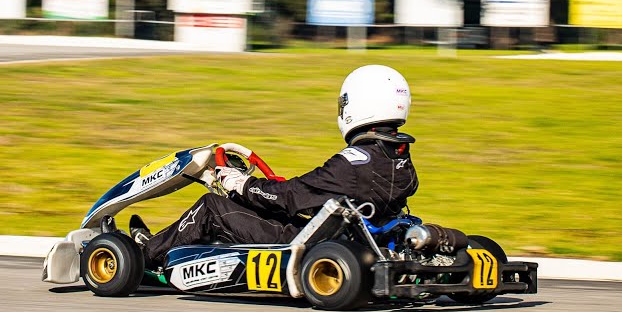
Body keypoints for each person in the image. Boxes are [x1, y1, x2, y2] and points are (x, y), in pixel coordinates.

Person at [129, 64, 419, 271]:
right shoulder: (398, 158)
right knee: (262, 203)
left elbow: (291, 195)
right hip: (340, 235)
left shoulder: (353, 162)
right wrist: (258, 191)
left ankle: (143, 256)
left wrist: (241, 185)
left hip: (306, 243)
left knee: (211, 207)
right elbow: (308, 195)